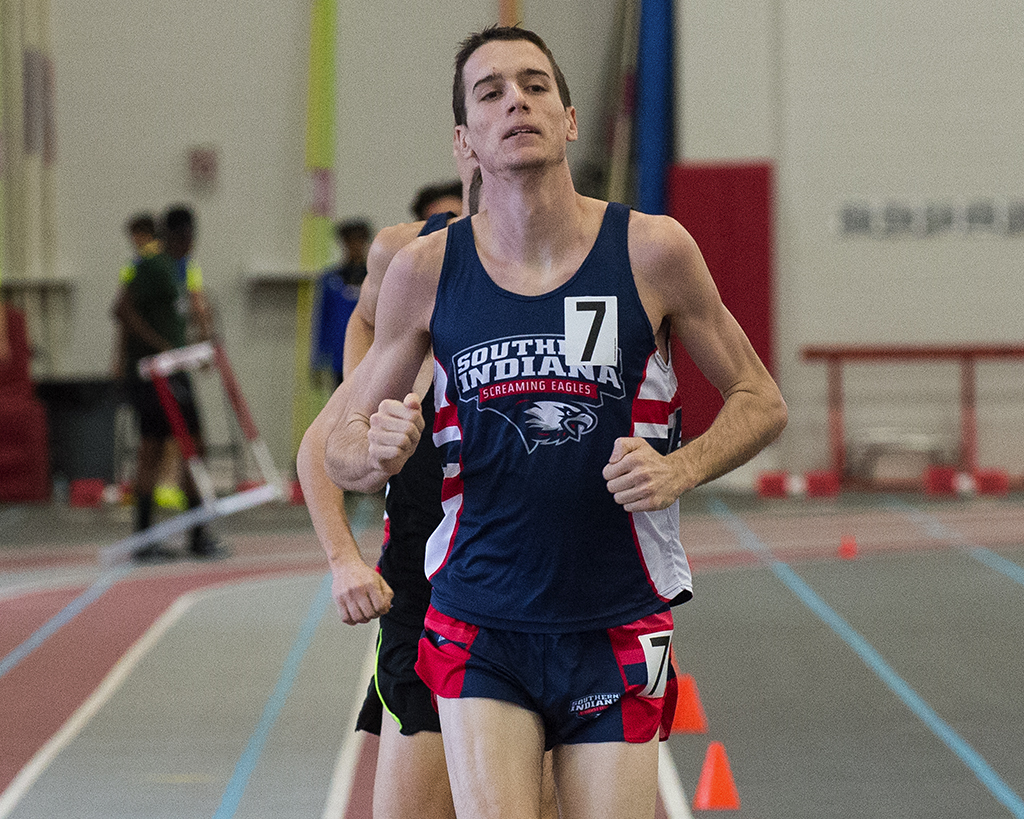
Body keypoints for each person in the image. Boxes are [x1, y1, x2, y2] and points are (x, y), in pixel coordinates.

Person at [326, 25, 787, 819]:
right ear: (466, 139)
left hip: (615, 615)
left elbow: (760, 398)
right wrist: (370, 452)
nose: (518, 102)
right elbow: (336, 444)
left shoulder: (652, 250)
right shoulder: (427, 272)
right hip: (478, 616)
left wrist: (682, 466)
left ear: (571, 119)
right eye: (492, 91)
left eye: (536, 86)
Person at [299, 155, 560, 819]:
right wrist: (342, 562)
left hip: (539, 607)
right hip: (423, 612)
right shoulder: (403, 349)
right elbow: (317, 449)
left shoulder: (540, 320)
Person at [112, 211, 222, 561]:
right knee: (177, 449)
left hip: (170, 370)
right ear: (178, 235)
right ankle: (177, 537)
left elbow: (191, 311)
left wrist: (196, 345)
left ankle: (177, 537)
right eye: (189, 235)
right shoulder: (154, 266)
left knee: (167, 449)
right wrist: (161, 348)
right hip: (158, 374)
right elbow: (123, 310)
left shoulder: (179, 269)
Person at [312, 219, 373, 387]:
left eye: (359, 240)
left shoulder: (376, 278)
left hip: (369, 354)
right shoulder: (330, 279)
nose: (355, 245)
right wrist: (318, 359)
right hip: (339, 356)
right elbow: (323, 320)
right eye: (350, 240)